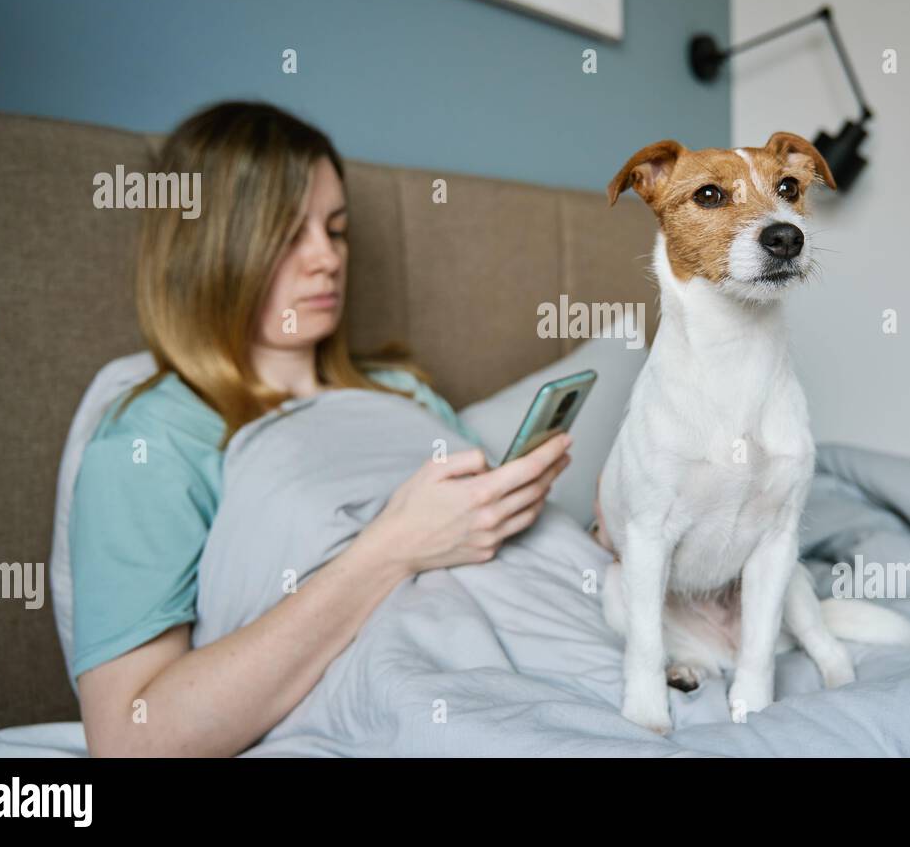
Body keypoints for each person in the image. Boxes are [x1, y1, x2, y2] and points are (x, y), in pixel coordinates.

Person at [70, 101, 573, 757]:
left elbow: (495, 553)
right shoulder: (155, 440)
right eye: (287, 234)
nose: (326, 260)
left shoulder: (401, 391)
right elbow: (129, 739)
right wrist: (391, 548)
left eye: (335, 231)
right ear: (207, 246)